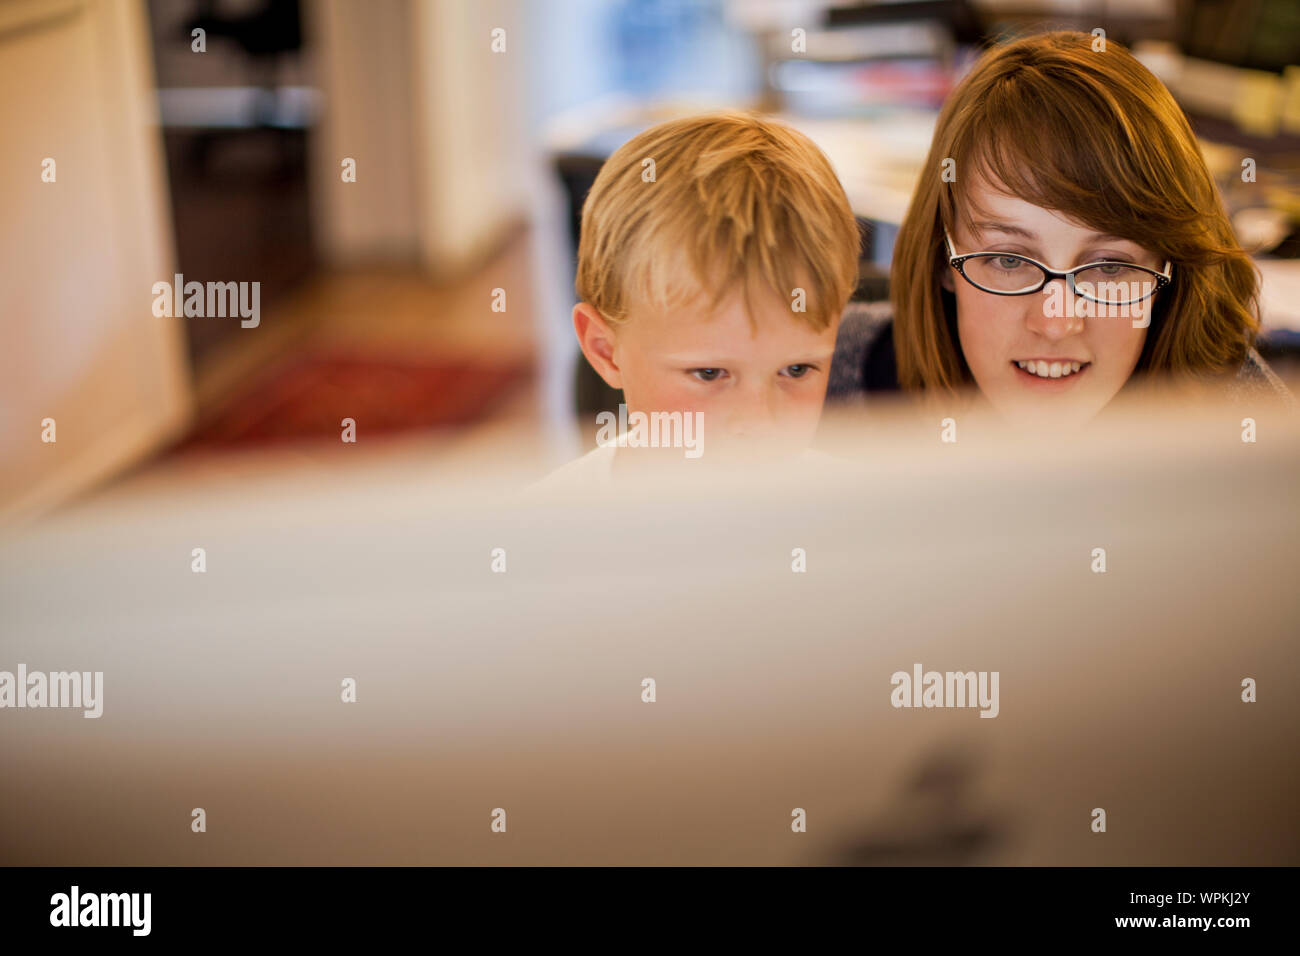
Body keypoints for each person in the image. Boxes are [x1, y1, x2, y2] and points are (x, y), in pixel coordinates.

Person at [828, 31, 1294, 427]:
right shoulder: (817, 380)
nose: (1056, 323)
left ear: (1169, 278)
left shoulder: (1252, 443)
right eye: (1009, 260)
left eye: (1109, 268)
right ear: (940, 260)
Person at [535, 111, 860, 488]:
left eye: (797, 370)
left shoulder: (868, 515)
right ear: (605, 350)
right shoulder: (547, 528)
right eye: (709, 374)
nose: (759, 423)